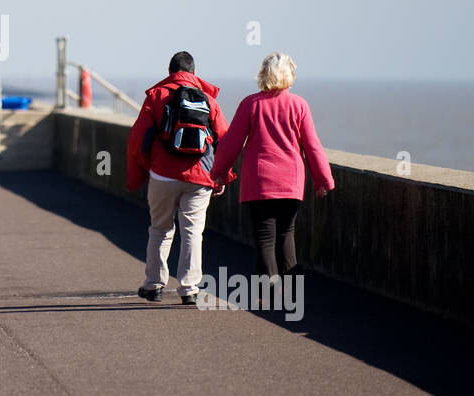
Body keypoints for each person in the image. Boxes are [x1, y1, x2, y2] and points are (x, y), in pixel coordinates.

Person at [209, 52, 334, 279]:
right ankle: (290, 293)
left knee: (265, 239)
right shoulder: (299, 105)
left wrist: (219, 173)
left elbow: (231, 143)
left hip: (260, 182)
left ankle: (270, 290)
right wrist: (323, 179)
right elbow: (312, 145)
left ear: (263, 74)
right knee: (287, 234)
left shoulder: (250, 104)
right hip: (291, 182)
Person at [125, 51, 233, 304]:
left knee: (160, 228)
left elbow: (137, 139)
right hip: (200, 175)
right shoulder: (208, 99)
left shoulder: (156, 96)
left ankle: (153, 285)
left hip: (163, 175)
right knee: (193, 231)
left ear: (170, 71)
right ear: (194, 72)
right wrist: (222, 176)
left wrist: (144, 170)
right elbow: (225, 139)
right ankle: (189, 288)